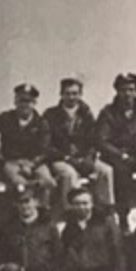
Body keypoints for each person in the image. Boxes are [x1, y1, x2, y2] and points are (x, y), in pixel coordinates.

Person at [94, 72, 136, 230]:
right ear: (117, 91)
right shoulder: (108, 113)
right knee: (121, 173)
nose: (128, 94)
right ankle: (123, 217)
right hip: (114, 156)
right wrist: (120, 154)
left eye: (131, 89)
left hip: (135, 155)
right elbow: (101, 141)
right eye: (123, 90)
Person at [43, 78, 114, 218]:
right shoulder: (50, 115)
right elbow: (46, 145)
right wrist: (66, 158)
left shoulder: (86, 114)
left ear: (80, 94)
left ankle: (105, 212)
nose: (71, 97)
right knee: (69, 175)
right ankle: (71, 213)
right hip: (60, 158)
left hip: (83, 157)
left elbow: (94, 140)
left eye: (75, 93)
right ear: (61, 94)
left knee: (106, 171)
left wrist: (89, 157)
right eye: (67, 93)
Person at [59, 186, 124, 271]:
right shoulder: (69, 229)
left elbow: (118, 251)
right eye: (77, 204)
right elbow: (65, 257)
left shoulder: (105, 223)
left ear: (92, 204)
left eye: (85, 203)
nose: (81, 207)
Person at [0, 83, 56, 210]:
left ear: (34, 103)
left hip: (35, 162)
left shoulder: (41, 122)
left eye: (28, 101)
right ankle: (21, 214)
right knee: (19, 184)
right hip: (11, 162)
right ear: (15, 101)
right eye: (21, 101)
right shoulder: (5, 118)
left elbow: (45, 148)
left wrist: (32, 164)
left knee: (48, 182)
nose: (24, 105)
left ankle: (43, 211)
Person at [0, 185, 61, 271]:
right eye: (20, 202)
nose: (24, 206)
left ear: (35, 202)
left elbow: (58, 254)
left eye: (27, 201)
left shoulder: (48, 225)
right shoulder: (9, 228)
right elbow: (2, 254)